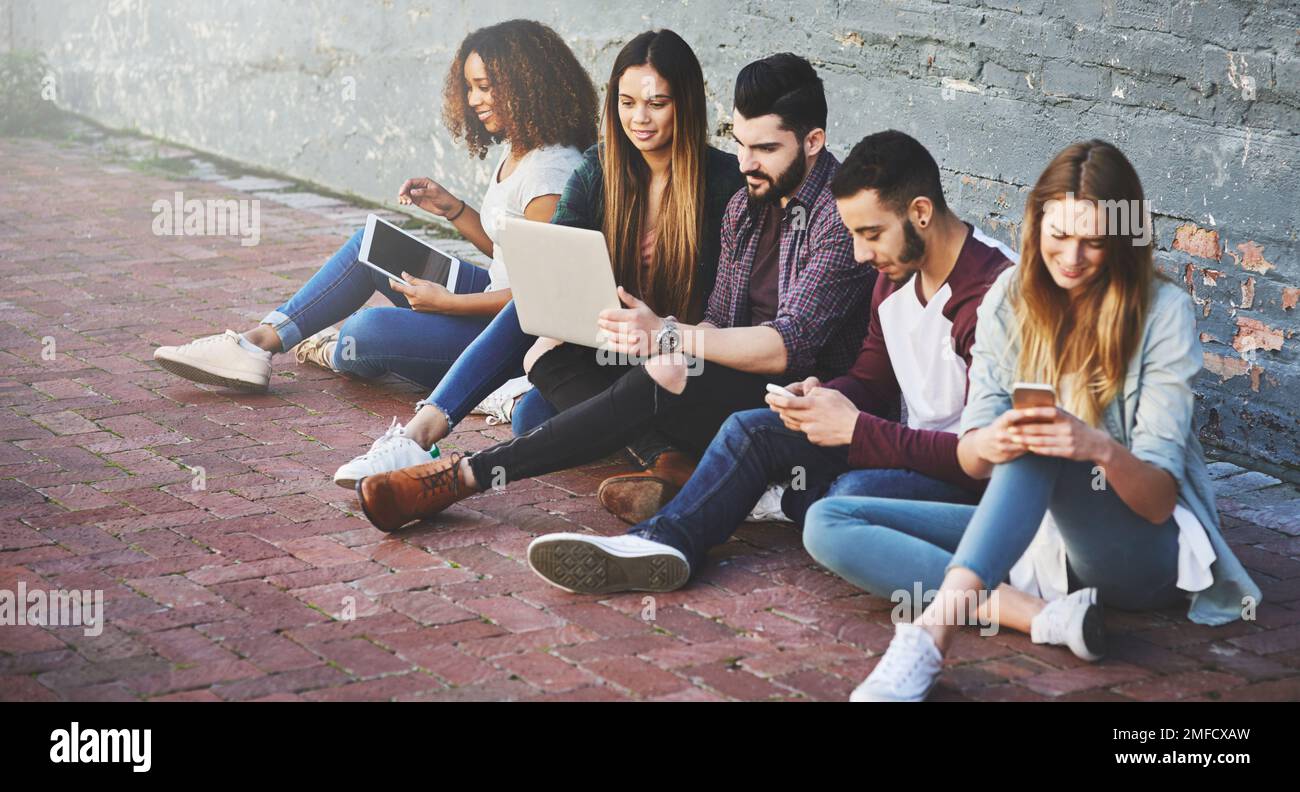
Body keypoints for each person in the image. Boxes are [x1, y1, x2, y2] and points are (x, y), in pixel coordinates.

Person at [803, 140, 1261, 702]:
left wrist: (1095, 447)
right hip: (1041, 546)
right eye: (1059, 237)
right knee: (829, 519)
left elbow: (1160, 499)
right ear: (1036, 227)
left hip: (1141, 554)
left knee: (1044, 439)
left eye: (1093, 241)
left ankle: (927, 640)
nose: (1071, 258)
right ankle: (1043, 618)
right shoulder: (1007, 300)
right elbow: (970, 457)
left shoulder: (1162, 313)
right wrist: (995, 440)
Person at [352, 53, 876, 536]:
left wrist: (669, 337)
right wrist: (654, 332)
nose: (745, 162)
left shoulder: (839, 216)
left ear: (813, 142)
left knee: (659, 371)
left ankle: (462, 476)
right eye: (739, 143)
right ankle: (672, 461)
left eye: (765, 149)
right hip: (728, 384)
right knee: (551, 356)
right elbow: (717, 319)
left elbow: (790, 345)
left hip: (804, 404)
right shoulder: (746, 206)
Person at [525, 130, 1015, 595]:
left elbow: (984, 466)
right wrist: (825, 396)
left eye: (871, 234)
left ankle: (764, 500)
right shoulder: (897, 272)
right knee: (750, 429)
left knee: (845, 494)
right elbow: (872, 377)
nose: (862, 255)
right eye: (853, 235)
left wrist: (857, 429)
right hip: (902, 448)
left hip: (973, 491)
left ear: (921, 212)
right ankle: (661, 543)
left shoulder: (990, 298)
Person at [330, 29, 743, 489]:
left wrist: (662, 332)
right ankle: (419, 434)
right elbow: (551, 266)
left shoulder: (725, 184)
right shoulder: (598, 169)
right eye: (626, 103)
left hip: (680, 356)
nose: (639, 118)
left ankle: (662, 457)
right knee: (530, 410)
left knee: (542, 409)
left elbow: (726, 317)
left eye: (656, 103)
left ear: (685, 103)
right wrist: (558, 315)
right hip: (606, 349)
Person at [152, 19, 595, 416]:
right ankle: (257, 343)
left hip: (510, 334)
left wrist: (448, 303)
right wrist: (454, 210)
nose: (475, 100)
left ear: (527, 83)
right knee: (372, 245)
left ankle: (336, 352)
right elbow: (511, 251)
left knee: (363, 331)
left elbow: (540, 298)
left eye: (486, 86)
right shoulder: (521, 150)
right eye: (470, 88)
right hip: (494, 296)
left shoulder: (550, 173)